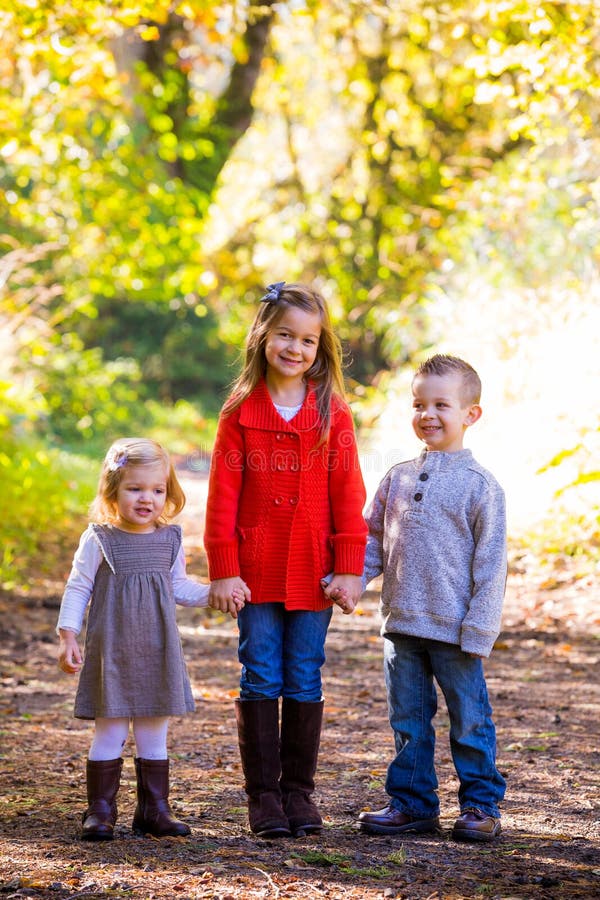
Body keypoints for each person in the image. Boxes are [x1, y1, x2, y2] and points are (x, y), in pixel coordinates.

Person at [204, 281, 367, 838]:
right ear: (263, 337)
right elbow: (222, 495)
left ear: (320, 348)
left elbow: (349, 491)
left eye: (308, 340)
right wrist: (224, 568)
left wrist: (349, 563)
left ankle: (299, 793)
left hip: (313, 571)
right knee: (260, 671)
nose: (295, 349)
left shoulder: (332, 412)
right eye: (285, 336)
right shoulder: (240, 412)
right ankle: (263, 797)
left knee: (303, 673)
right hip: (255, 568)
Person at [57, 438, 246, 841]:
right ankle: (101, 811)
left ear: (168, 492)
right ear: (113, 490)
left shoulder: (170, 539)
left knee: (153, 731)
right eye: (135, 488)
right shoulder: (100, 538)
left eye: (157, 490)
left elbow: (178, 587)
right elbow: (77, 588)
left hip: (157, 650)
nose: (147, 499)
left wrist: (216, 593)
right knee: (109, 731)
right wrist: (68, 634)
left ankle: (154, 810)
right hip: (112, 652)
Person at [357, 354, 507, 843]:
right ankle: (412, 803)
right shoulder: (397, 477)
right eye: (419, 404)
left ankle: (481, 806)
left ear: (471, 414)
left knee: (469, 720)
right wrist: (351, 581)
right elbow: (373, 540)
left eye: (442, 404)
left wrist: (479, 630)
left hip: (455, 630)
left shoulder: (481, 487)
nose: (428, 414)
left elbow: (491, 565)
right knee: (408, 722)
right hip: (401, 625)